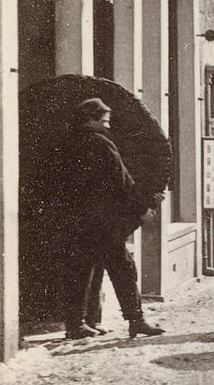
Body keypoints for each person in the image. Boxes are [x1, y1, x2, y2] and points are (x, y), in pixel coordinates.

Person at [61, 97, 164, 341]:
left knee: (80, 272)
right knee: (123, 269)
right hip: (104, 224)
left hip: (78, 221)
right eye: (104, 121)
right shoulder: (101, 145)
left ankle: (76, 324)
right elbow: (123, 182)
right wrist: (143, 207)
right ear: (92, 120)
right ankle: (135, 321)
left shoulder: (67, 145)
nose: (107, 126)